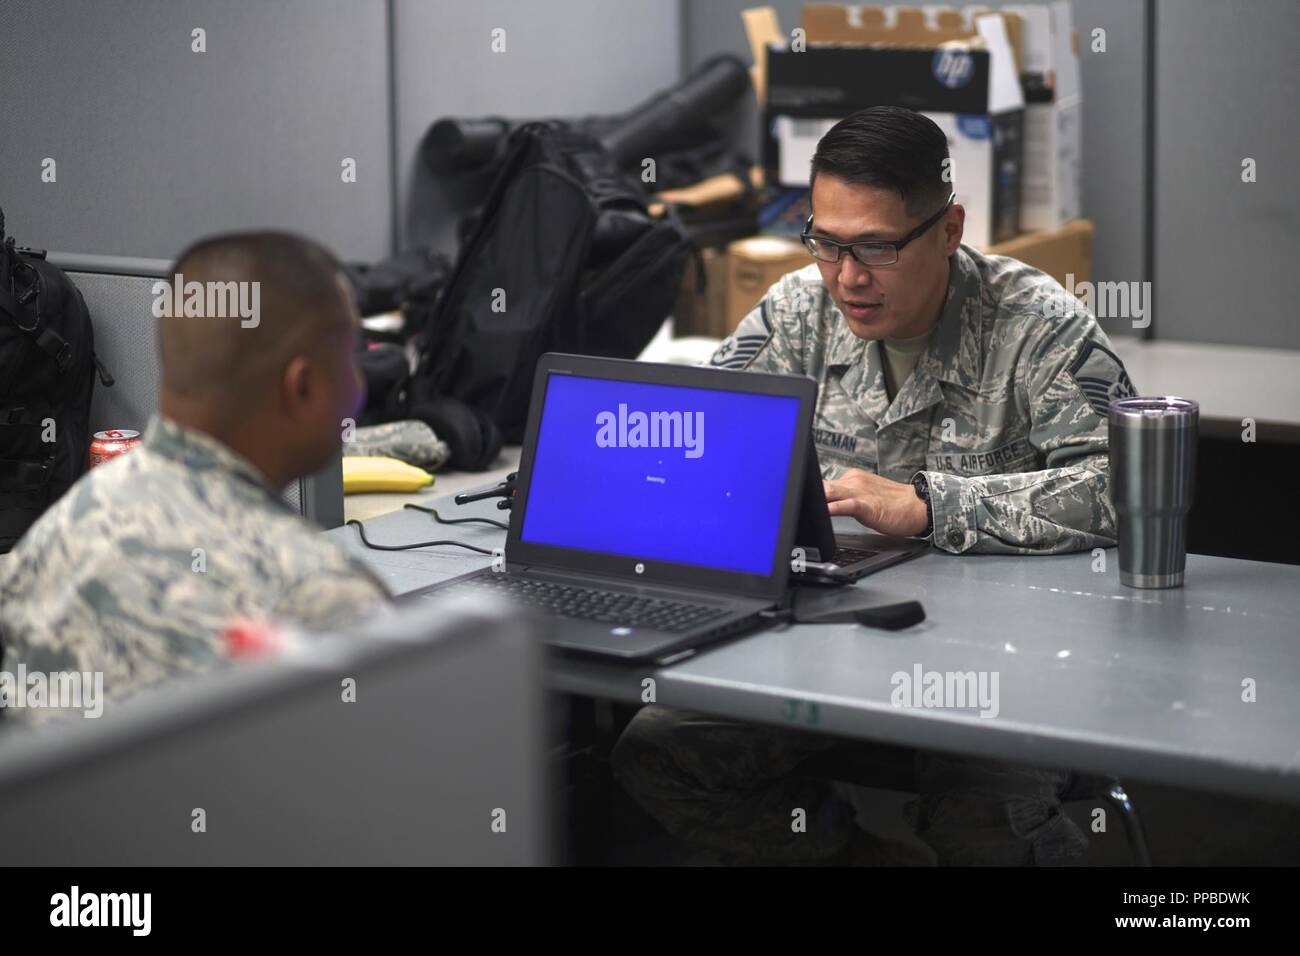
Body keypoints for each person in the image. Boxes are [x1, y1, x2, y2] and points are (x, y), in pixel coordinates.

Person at [613, 106, 1137, 865]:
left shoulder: (1039, 326)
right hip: (822, 648)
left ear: (949, 230)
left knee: (981, 818)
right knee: (661, 752)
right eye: (826, 242)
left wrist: (932, 505)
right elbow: (707, 435)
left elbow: (1121, 486)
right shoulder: (799, 310)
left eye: (877, 248)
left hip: (1001, 663)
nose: (847, 277)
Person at [0, 232, 390, 719]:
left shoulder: (55, 535)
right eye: (351, 357)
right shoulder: (324, 597)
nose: (361, 381)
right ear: (304, 386)